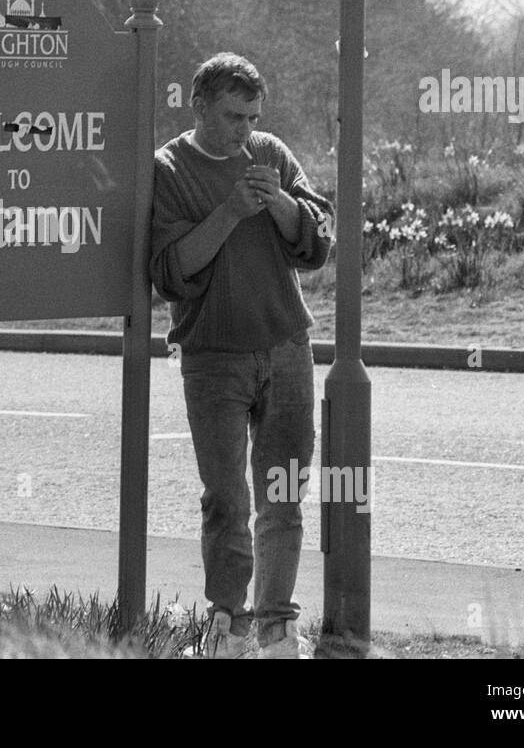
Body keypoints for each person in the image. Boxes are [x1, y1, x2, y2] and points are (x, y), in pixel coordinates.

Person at [149, 52, 333, 659]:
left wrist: (279, 204)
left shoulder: (272, 154)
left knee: (283, 492)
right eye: (233, 117)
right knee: (226, 497)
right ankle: (226, 625)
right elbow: (173, 271)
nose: (244, 130)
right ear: (198, 106)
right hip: (212, 356)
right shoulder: (169, 168)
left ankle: (279, 627)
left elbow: (317, 242)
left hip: (286, 349)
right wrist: (230, 210)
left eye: (252, 117)